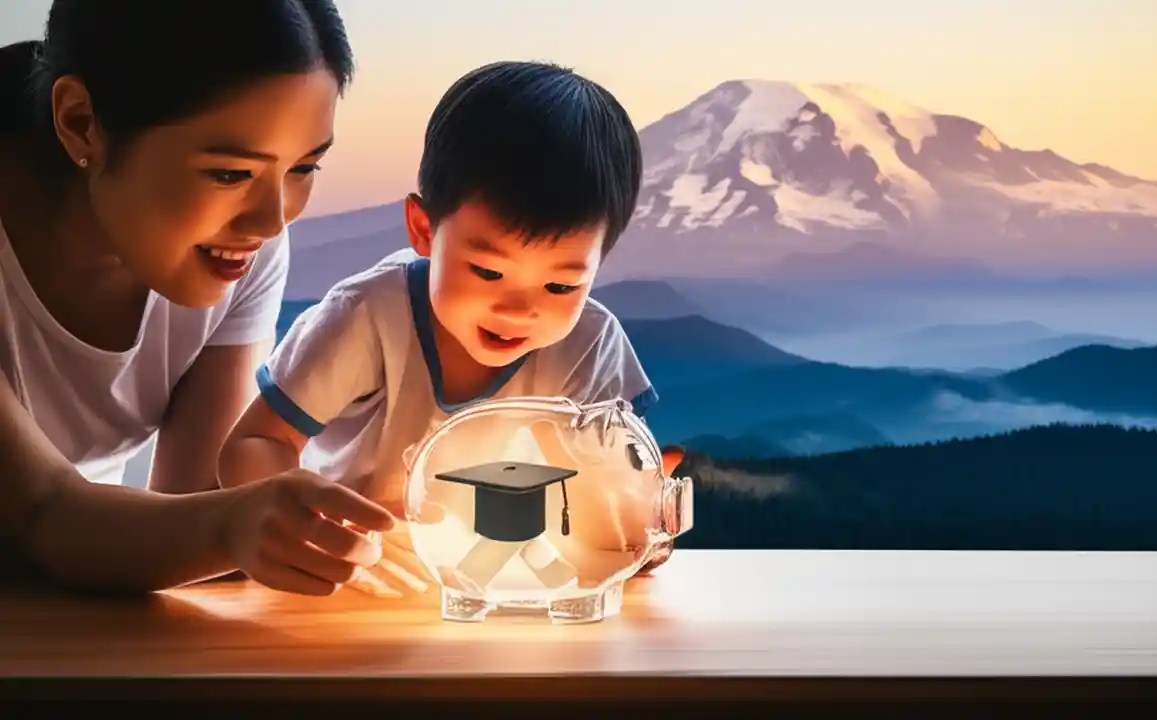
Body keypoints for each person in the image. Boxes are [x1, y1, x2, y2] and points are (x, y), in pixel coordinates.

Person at [217, 61, 682, 596]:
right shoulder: (367, 317)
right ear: (423, 229)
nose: (517, 309)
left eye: (560, 286)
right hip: (347, 581)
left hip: (500, 586)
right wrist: (313, 524)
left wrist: (636, 522)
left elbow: (614, 492)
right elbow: (253, 442)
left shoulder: (589, 343)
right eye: (487, 271)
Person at [0, 1, 395, 596]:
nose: (271, 220)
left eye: (303, 167)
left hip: (68, 614)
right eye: (231, 174)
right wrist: (236, 522)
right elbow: (42, 511)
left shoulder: (236, 249)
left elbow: (191, 505)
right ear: (82, 122)